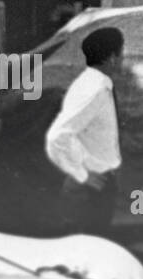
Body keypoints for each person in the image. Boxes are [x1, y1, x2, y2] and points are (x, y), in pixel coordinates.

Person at [45, 27, 124, 236]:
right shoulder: (94, 89)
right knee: (86, 253)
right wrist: (82, 175)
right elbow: (57, 136)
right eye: (121, 53)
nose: (123, 59)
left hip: (96, 186)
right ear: (112, 58)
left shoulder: (93, 83)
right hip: (90, 191)